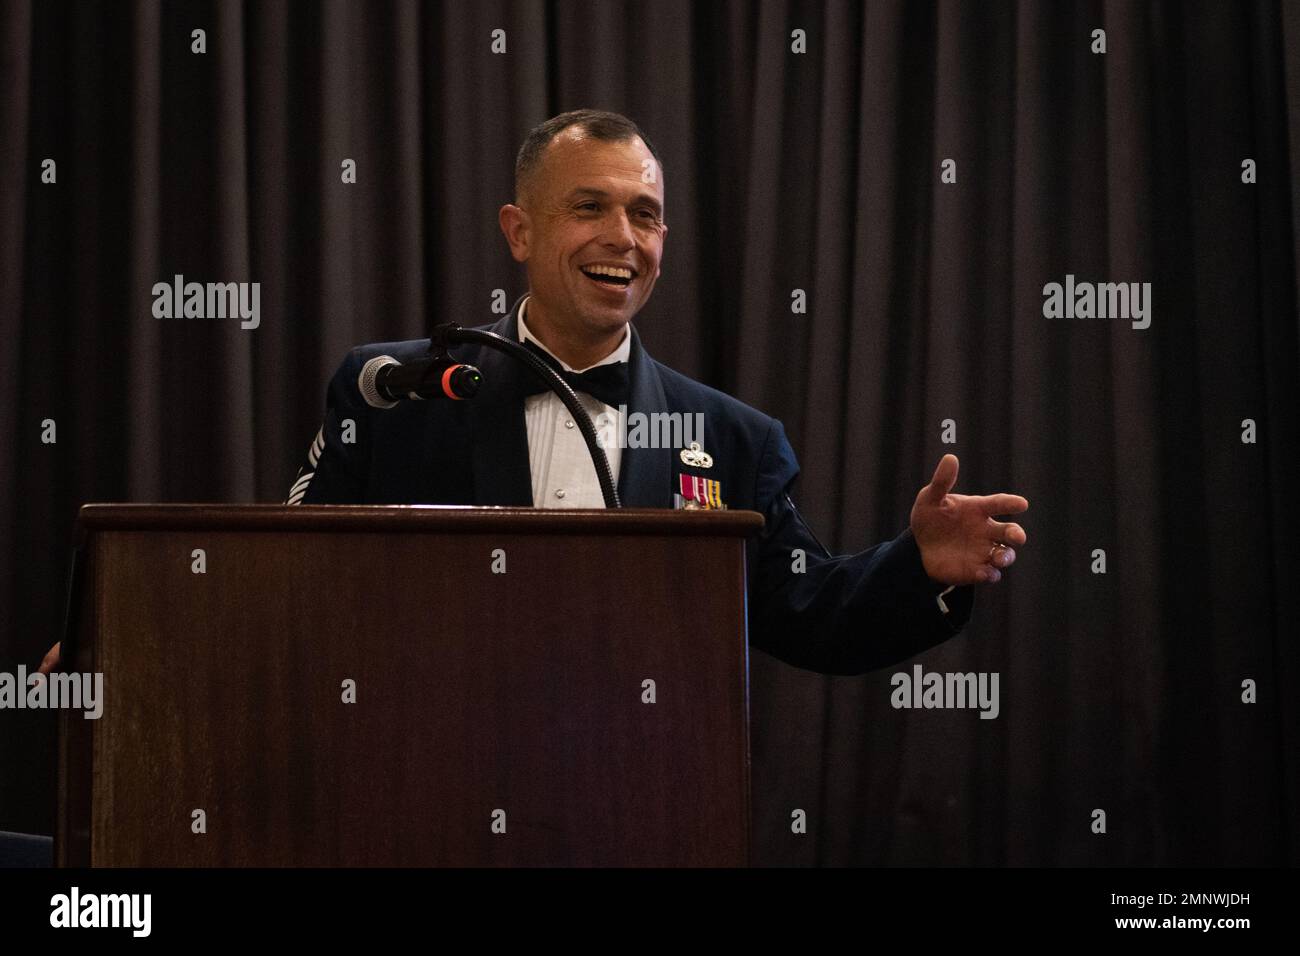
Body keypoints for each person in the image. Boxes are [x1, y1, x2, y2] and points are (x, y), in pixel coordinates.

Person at [40, 109, 1028, 678]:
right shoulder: (398, 391)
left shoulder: (733, 439)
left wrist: (918, 565)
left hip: (643, 807)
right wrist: (135, 656)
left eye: (644, 214)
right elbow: (287, 580)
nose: (622, 236)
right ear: (519, 231)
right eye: (587, 206)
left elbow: (809, 613)